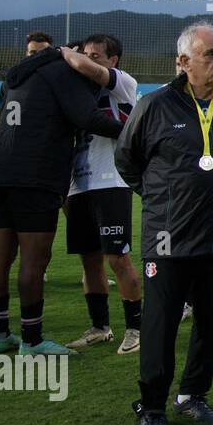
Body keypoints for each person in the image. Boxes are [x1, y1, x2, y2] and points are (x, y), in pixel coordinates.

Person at [115, 23, 213, 425]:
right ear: (183, 62)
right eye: (210, 54)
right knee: (160, 326)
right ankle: (152, 407)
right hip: (168, 240)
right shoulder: (154, 106)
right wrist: (162, 200)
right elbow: (127, 161)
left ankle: (194, 394)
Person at [0, 45, 125, 356]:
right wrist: (133, 129)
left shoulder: (17, 75)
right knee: (34, 259)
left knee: (0, 256)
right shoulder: (62, 72)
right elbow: (88, 117)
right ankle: (32, 340)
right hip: (35, 175)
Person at [61, 36, 144, 354]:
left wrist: (65, 54)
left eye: (96, 55)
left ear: (114, 61)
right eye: (85, 54)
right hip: (78, 184)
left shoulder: (121, 83)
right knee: (90, 262)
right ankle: (100, 327)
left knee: (117, 259)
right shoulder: (76, 94)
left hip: (111, 182)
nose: (86, 59)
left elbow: (86, 68)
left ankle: (135, 329)